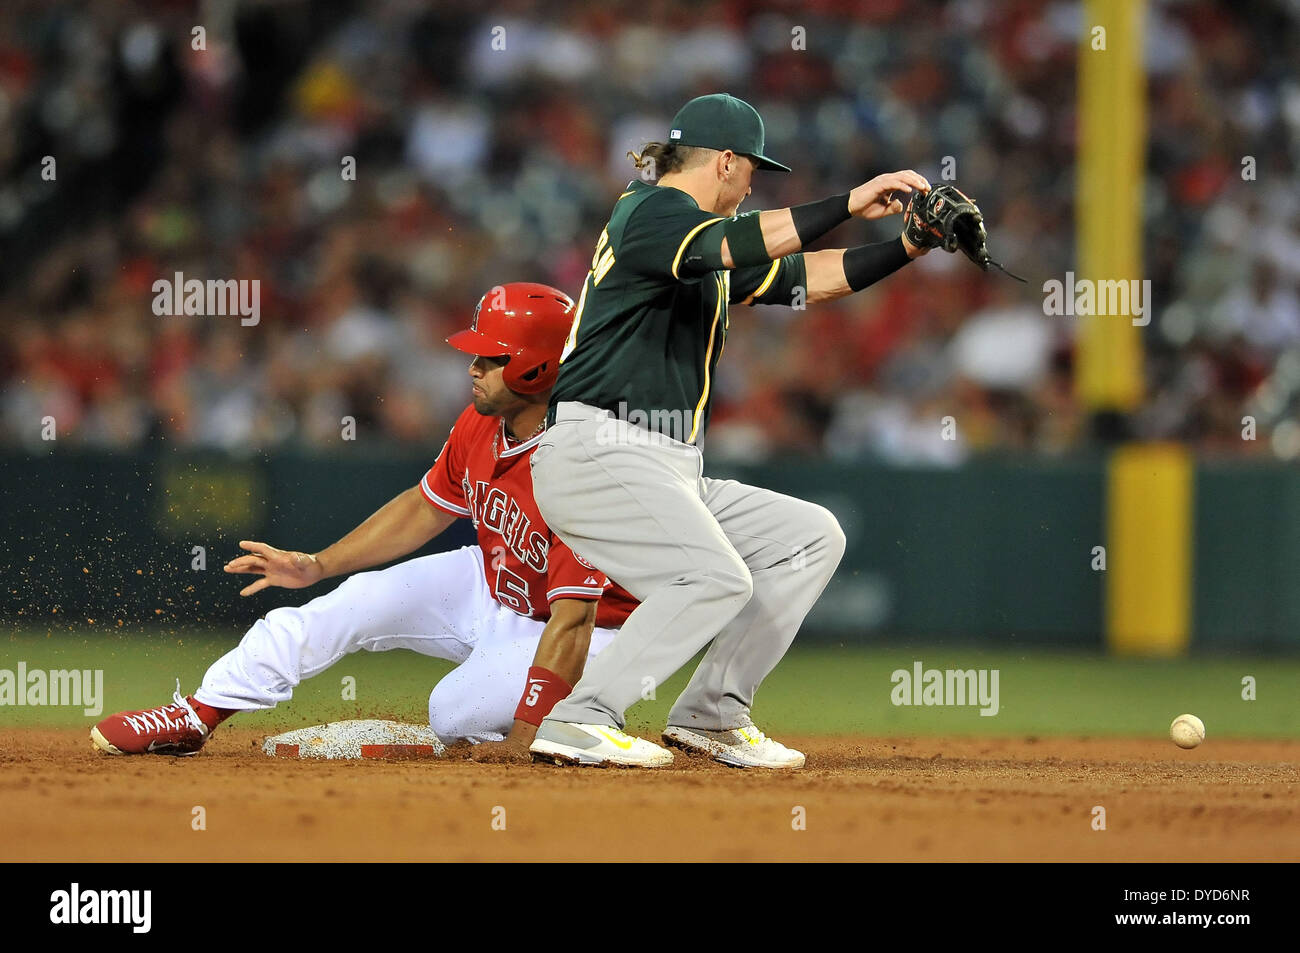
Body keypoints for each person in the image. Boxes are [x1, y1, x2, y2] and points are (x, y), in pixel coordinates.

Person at [528, 93, 932, 769]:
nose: (751, 184)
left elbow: (806, 279)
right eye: (750, 171)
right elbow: (737, 240)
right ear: (723, 161)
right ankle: (581, 715)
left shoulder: (698, 244)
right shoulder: (651, 209)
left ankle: (713, 712)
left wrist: (911, 245)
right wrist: (848, 201)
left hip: (662, 464)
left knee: (807, 537)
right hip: (599, 448)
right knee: (711, 576)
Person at [91, 283, 645, 762]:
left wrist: (526, 747)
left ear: (539, 365)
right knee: (351, 600)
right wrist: (318, 564)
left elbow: (575, 618)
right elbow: (424, 506)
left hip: (589, 631)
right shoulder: (483, 423)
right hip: (494, 584)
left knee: (454, 712)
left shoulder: (586, 461)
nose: (472, 368)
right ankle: (197, 713)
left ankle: (578, 725)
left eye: (490, 358)